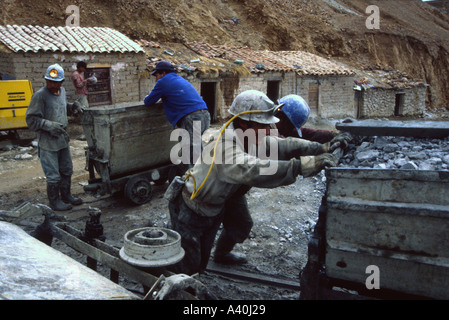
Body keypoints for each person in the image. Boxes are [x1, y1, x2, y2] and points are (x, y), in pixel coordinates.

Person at [166, 90, 339, 275]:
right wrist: (302, 166)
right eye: (264, 126)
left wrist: (320, 147)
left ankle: (218, 257)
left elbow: (282, 144)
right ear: (243, 122)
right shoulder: (226, 147)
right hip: (193, 208)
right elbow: (256, 170)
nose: (269, 131)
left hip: (217, 203)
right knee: (189, 267)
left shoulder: (250, 135)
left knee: (205, 258)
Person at [26, 64, 85, 211]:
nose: (52, 84)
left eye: (56, 82)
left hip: (62, 139)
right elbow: (31, 120)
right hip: (48, 143)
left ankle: (66, 195)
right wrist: (49, 125)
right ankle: (55, 201)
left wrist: (73, 107)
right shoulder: (40, 96)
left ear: (62, 82)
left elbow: (62, 107)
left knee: (66, 170)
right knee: (53, 176)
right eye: (49, 81)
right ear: (46, 80)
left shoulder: (62, 91)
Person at [143, 61, 210, 174]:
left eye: (157, 75)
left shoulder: (163, 81)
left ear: (163, 73)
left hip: (192, 118)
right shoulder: (180, 79)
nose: (156, 79)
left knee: (191, 153)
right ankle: (199, 177)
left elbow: (148, 101)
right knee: (196, 150)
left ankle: (196, 185)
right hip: (204, 115)